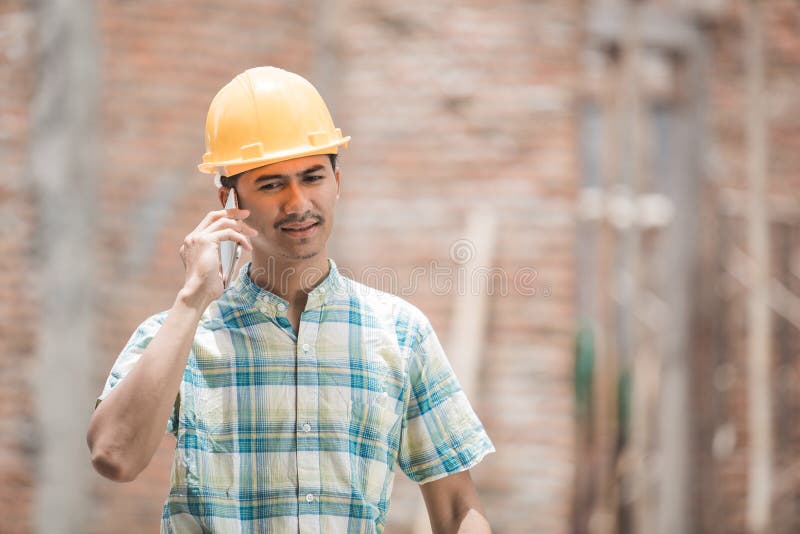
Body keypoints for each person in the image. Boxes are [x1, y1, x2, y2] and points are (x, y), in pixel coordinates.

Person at [86, 66, 495, 534]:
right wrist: (190, 301)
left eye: (312, 176)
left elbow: (458, 506)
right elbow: (113, 457)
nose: (298, 202)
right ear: (229, 199)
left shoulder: (401, 334)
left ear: (338, 180)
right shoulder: (179, 336)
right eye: (272, 183)